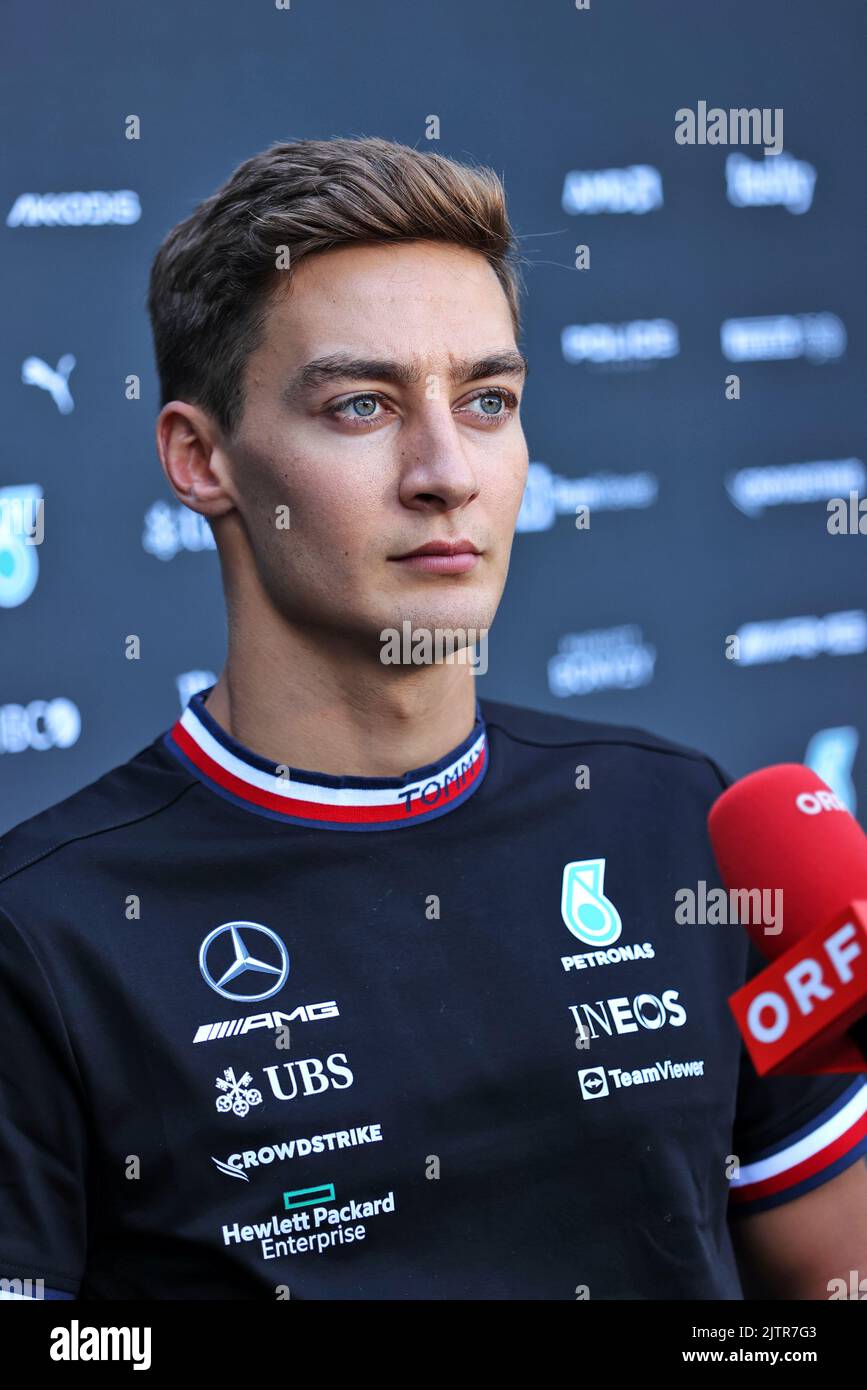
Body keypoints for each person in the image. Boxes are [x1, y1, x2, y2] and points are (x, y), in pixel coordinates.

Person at [1, 136, 865, 1301]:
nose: (446, 469)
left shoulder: (681, 822)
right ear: (202, 459)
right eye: (363, 405)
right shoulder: (45, 937)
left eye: (488, 400)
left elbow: (833, 1282)